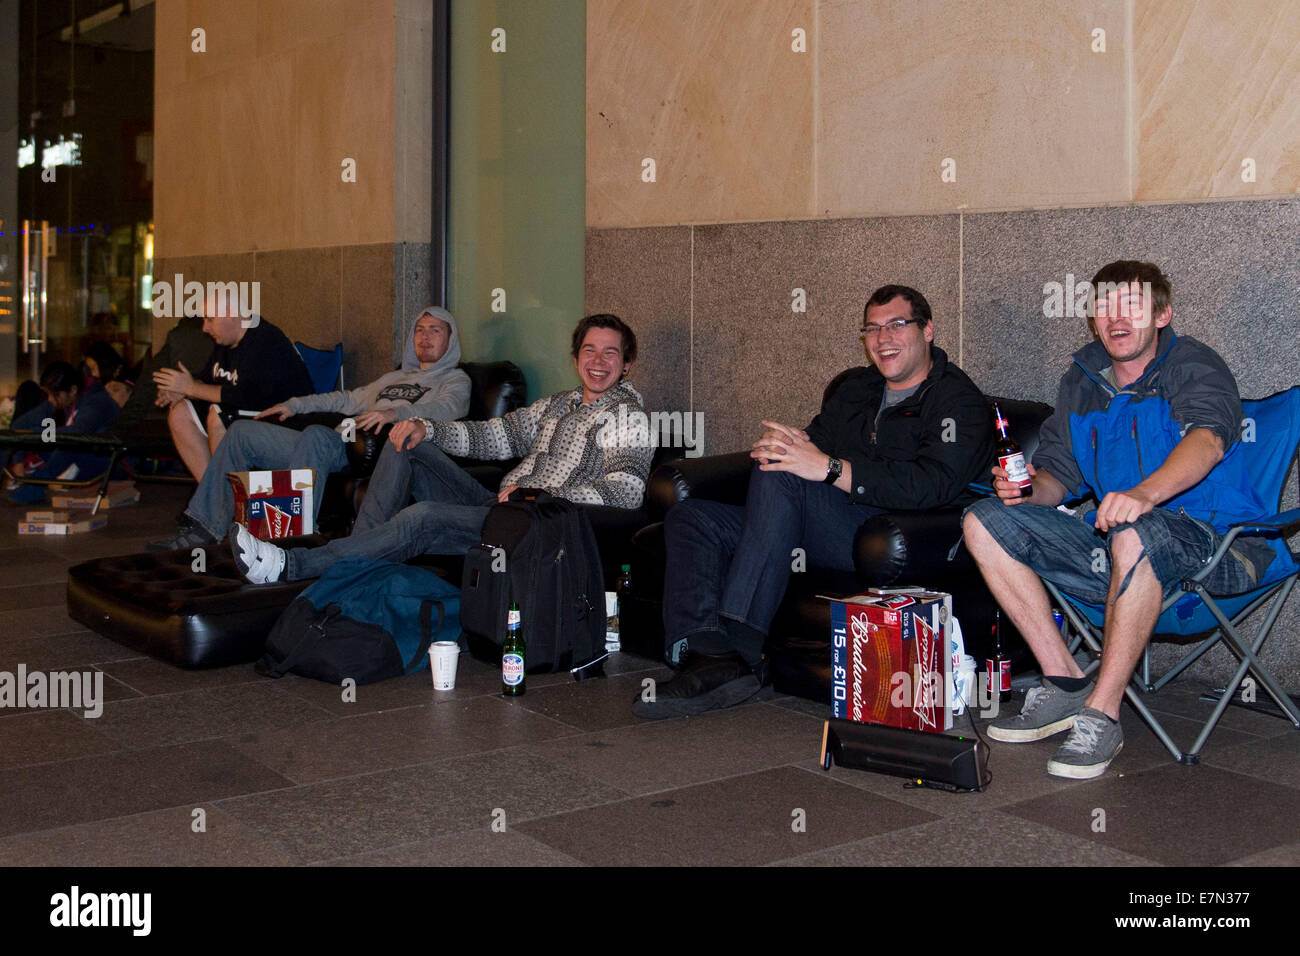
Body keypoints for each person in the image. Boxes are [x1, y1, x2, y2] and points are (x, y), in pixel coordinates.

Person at [962, 260, 1279, 780]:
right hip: (1118, 544)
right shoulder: (1083, 379)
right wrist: (1026, 492)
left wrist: (1142, 494)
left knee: (1133, 530)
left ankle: (1103, 713)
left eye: (1131, 304)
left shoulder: (1194, 366)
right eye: (1105, 307)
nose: (1116, 318)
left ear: (1161, 313)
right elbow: (1059, 476)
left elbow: (1209, 439)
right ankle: (1065, 681)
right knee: (984, 519)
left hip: (1219, 544)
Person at [633, 285, 994, 720]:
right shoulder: (858, 388)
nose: (883, 339)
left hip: (891, 533)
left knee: (786, 477)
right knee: (694, 517)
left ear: (928, 330)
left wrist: (828, 468)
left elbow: (931, 485)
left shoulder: (959, 402)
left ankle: (740, 652)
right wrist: (784, 444)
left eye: (897, 325)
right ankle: (706, 655)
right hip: (824, 520)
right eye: (873, 329)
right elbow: (816, 443)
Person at [229, 314, 653, 584]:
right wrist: (425, 427)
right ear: (576, 357)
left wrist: (536, 497)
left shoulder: (628, 417)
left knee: (424, 516)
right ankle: (357, 559)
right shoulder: (557, 405)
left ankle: (293, 567)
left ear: (627, 363)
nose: (598, 361)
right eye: (589, 350)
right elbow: (490, 437)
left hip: (537, 521)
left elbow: (626, 493)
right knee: (405, 441)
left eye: (610, 353)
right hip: (497, 505)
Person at [149, 306, 471, 550]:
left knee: (316, 435)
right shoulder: (391, 378)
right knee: (241, 432)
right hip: (334, 436)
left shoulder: (455, 379)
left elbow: (448, 409)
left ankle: (281, 543)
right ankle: (207, 529)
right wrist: (295, 404)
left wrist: (395, 412)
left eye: (435, 331)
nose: (425, 337)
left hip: (364, 448)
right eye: (420, 329)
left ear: (450, 339)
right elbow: (345, 398)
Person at [152, 289, 313, 480]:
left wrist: (191, 388)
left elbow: (245, 396)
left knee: (219, 416)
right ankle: (210, 495)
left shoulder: (265, 341)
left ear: (230, 314)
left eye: (209, 319)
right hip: (250, 412)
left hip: (284, 421)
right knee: (180, 412)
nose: (204, 327)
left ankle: (224, 499)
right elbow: (210, 384)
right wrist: (181, 391)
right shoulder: (225, 343)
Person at [5, 359, 125, 501]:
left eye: (54, 394)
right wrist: (18, 461)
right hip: (83, 459)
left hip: (112, 463)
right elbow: (20, 426)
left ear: (73, 390)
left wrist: (39, 434)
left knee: (71, 443)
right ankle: (32, 480)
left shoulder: (97, 401)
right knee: (21, 435)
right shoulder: (65, 399)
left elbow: (79, 432)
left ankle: (35, 486)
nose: (50, 399)